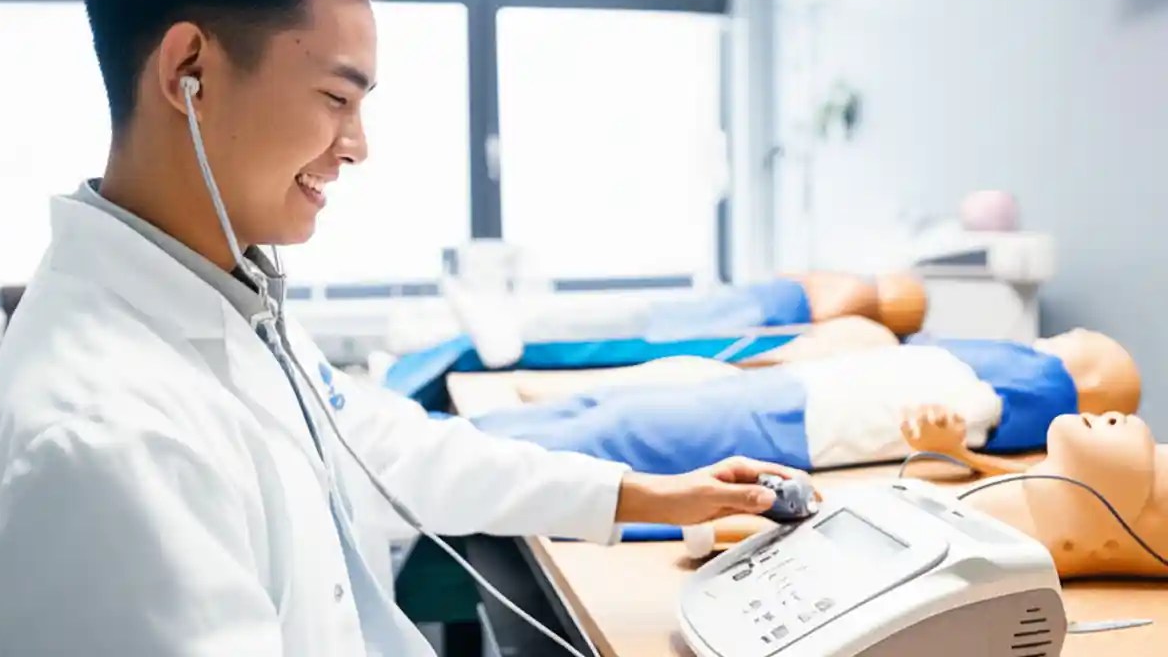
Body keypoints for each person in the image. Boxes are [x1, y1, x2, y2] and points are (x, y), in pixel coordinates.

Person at [0, 0, 807, 656]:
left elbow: (378, 446)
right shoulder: (100, 442)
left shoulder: (216, 295)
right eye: (334, 98)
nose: (356, 147)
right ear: (189, 71)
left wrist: (643, 495)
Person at [461, 326, 1140, 474]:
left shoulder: (1035, 389)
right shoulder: (998, 356)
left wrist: (955, 450)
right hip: (787, 393)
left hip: (792, 423)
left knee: (612, 430)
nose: (1074, 331)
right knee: (603, 411)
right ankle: (425, 439)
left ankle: (430, 453)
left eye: (1085, 338)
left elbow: (1045, 478)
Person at [689, 408, 1168, 580]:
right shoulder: (1061, 485)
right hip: (955, 507)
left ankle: (723, 525)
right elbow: (1055, 476)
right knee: (844, 504)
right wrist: (958, 451)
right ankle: (723, 520)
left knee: (838, 519)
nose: (1127, 420)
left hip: (955, 531)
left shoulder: (1049, 527)